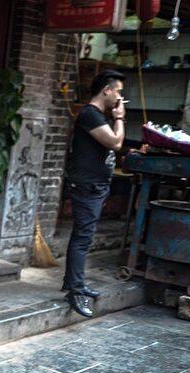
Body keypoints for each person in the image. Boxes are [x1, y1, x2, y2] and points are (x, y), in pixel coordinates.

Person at [63, 69, 126, 318]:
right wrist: (119, 118)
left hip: (94, 186)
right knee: (82, 238)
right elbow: (115, 143)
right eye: (118, 90)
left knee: (83, 237)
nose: (121, 96)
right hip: (87, 186)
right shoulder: (90, 114)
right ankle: (75, 290)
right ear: (106, 90)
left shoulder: (97, 115)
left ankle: (73, 283)